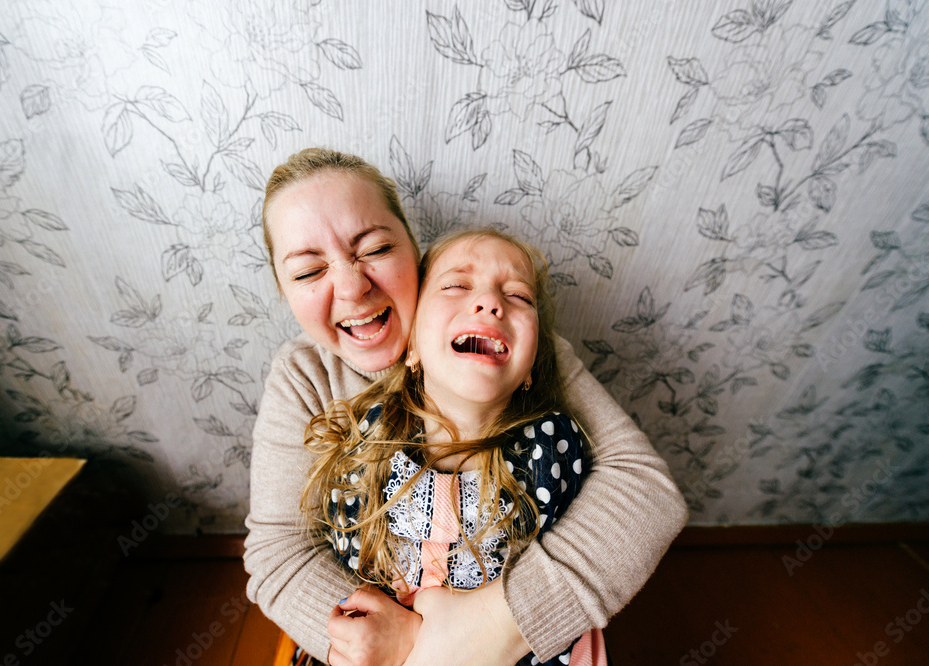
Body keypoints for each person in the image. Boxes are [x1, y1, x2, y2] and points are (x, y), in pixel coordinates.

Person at [243, 147, 687, 665]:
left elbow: (647, 494)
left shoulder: (509, 345)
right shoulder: (304, 376)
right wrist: (384, 647)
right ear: (284, 292)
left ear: (415, 249)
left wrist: (492, 629)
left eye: (375, 248)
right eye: (307, 272)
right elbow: (279, 554)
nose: (351, 287)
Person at [302, 229, 608, 666]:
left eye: (519, 296)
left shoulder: (553, 448)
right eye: (457, 285)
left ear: (530, 369)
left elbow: (568, 584)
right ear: (411, 348)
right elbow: (351, 574)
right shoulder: (367, 444)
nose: (490, 303)